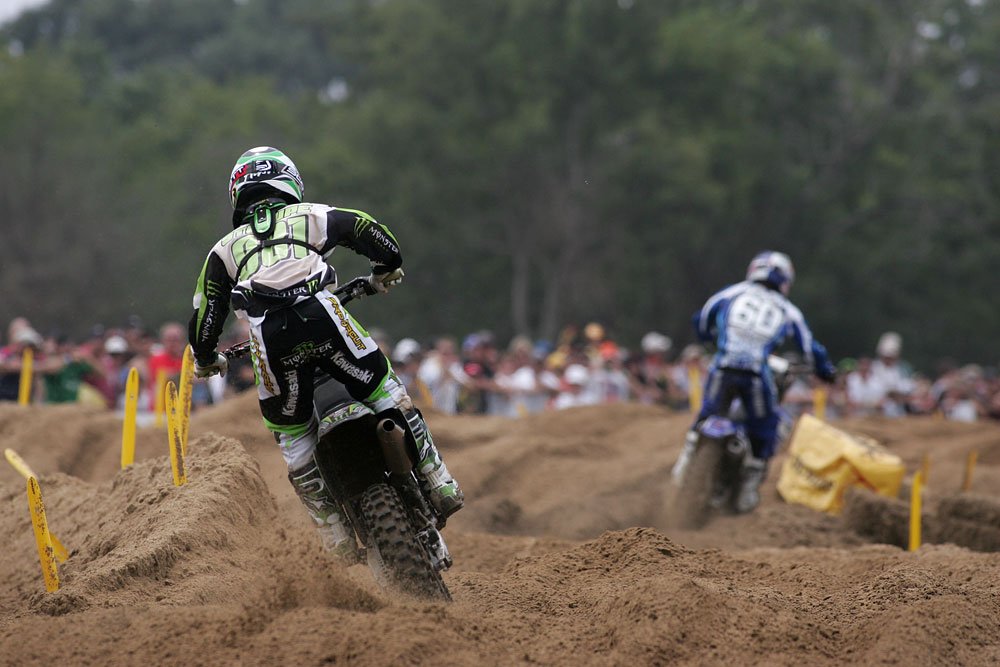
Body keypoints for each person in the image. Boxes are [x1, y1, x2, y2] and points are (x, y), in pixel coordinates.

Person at [187, 146, 463, 560]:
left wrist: (207, 358)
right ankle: (437, 479)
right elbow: (367, 229)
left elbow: (205, 316)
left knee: (294, 437)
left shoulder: (223, 250)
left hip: (270, 342)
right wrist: (385, 268)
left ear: (237, 194)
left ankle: (333, 533)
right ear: (289, 181)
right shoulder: (310, 214)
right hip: (323, 315)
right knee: (386, 390)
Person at [675, 250, 837, 513]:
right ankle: (750, 483)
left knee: (705, 414)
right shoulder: (787, 309)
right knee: (766, 426)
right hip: (755, 374)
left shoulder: (731, 292)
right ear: (784, 280)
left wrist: (708, 338)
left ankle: (685, 461)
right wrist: (826, 370)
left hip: (724, 365)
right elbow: (809, 347)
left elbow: (703, 318)